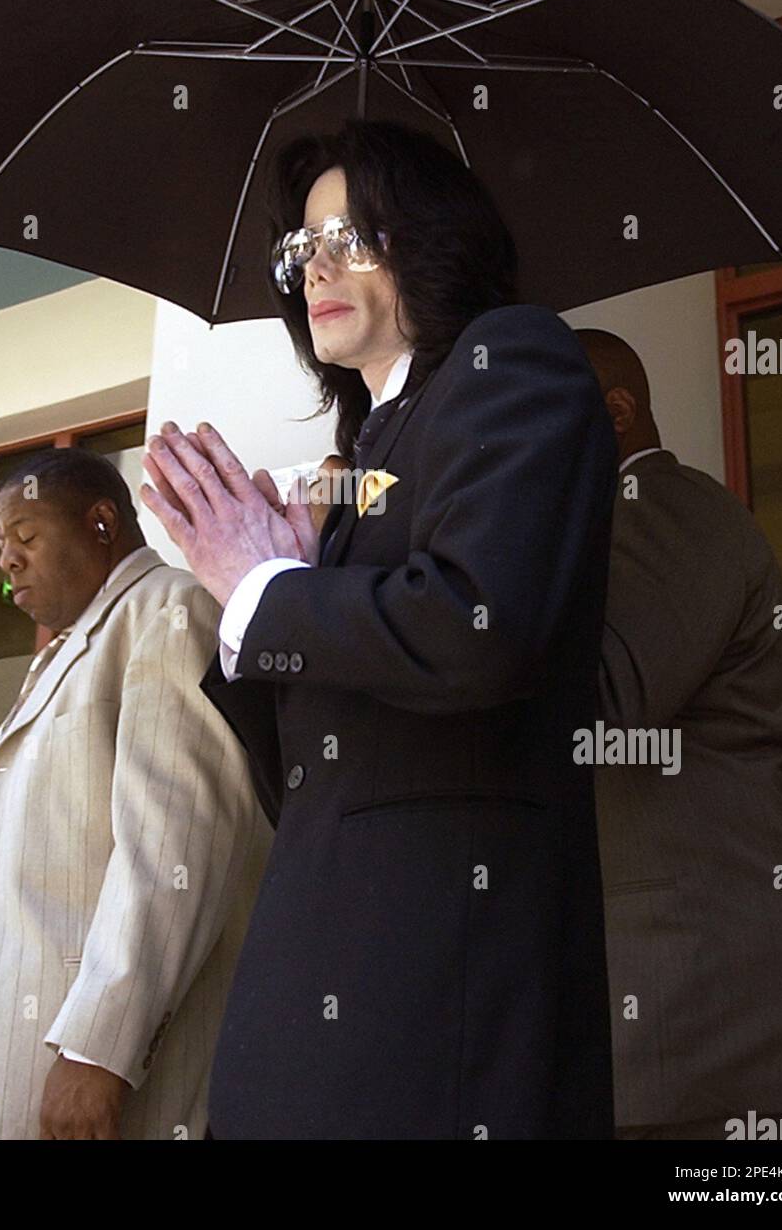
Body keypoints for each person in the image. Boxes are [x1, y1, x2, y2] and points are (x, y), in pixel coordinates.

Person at [142, 119, 618, 1139]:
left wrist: (267, 587)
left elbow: (477, 627)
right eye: (301, 247)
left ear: (432, 240)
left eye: (351, 237)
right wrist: (270, 590)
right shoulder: (367, 456)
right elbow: (310, 780)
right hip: (311, 1008)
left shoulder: (511, 354)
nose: (316, 267)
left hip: (437, 1009)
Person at [0, 448, 270, 1140]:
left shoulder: (169, 611)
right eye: (0, 543)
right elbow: (4, 896)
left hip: (66, 1069)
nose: (7, 560)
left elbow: (175, 852)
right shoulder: (63, 657)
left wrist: (99, 1052)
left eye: (26, 535)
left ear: (102, 523)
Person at [576, 328, 782, 1140]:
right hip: (698, 1032)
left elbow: (601, 700)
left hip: (719, 1027)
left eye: (540, 418)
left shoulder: (662, 508)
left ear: (616, 413)